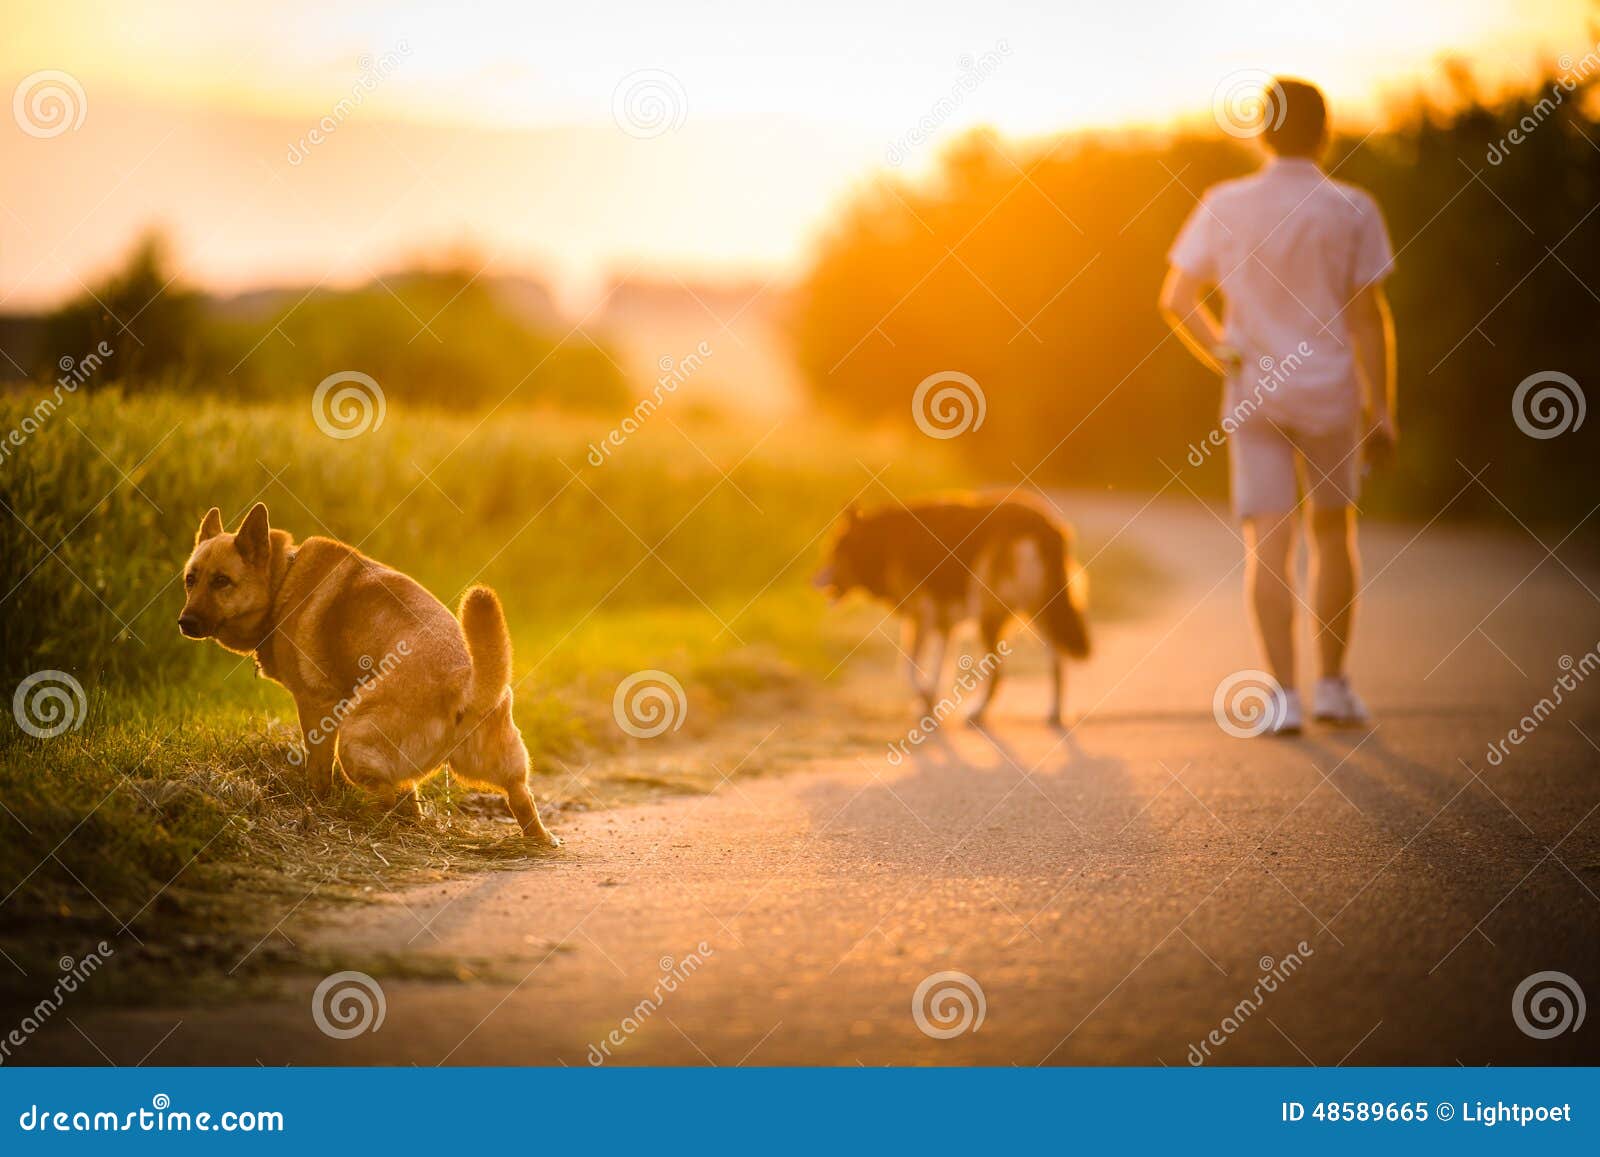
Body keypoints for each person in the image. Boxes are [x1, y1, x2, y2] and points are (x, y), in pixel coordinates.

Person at [1159, 77, 1397, 734]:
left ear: (1262, 131)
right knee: (1331, 532)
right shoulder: (1352, 207)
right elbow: (1369, 319)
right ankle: (1333, 687)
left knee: (1269, 540)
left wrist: (1224, 352)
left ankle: (1282, 696)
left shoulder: (1225, 202)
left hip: (1256, 390)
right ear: (1324, 132)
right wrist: (1382, 409)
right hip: (1330, 393)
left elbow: (1177, 296)